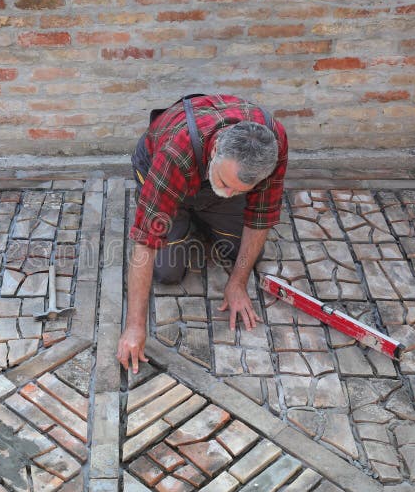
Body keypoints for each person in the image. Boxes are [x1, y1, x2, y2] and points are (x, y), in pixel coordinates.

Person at [116, 94, 288, 373]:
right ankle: (178, 210)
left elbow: (261, 217)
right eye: (225, 182)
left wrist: (237, 283)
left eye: (239, 191)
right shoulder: (176, 152)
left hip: (202, 178)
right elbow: (145, 243)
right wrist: (134, 327)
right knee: (167, 272)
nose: (231, 194)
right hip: (160, 170)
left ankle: (200, 211)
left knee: (244, 254)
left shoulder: (273, 144)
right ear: (216, 148)